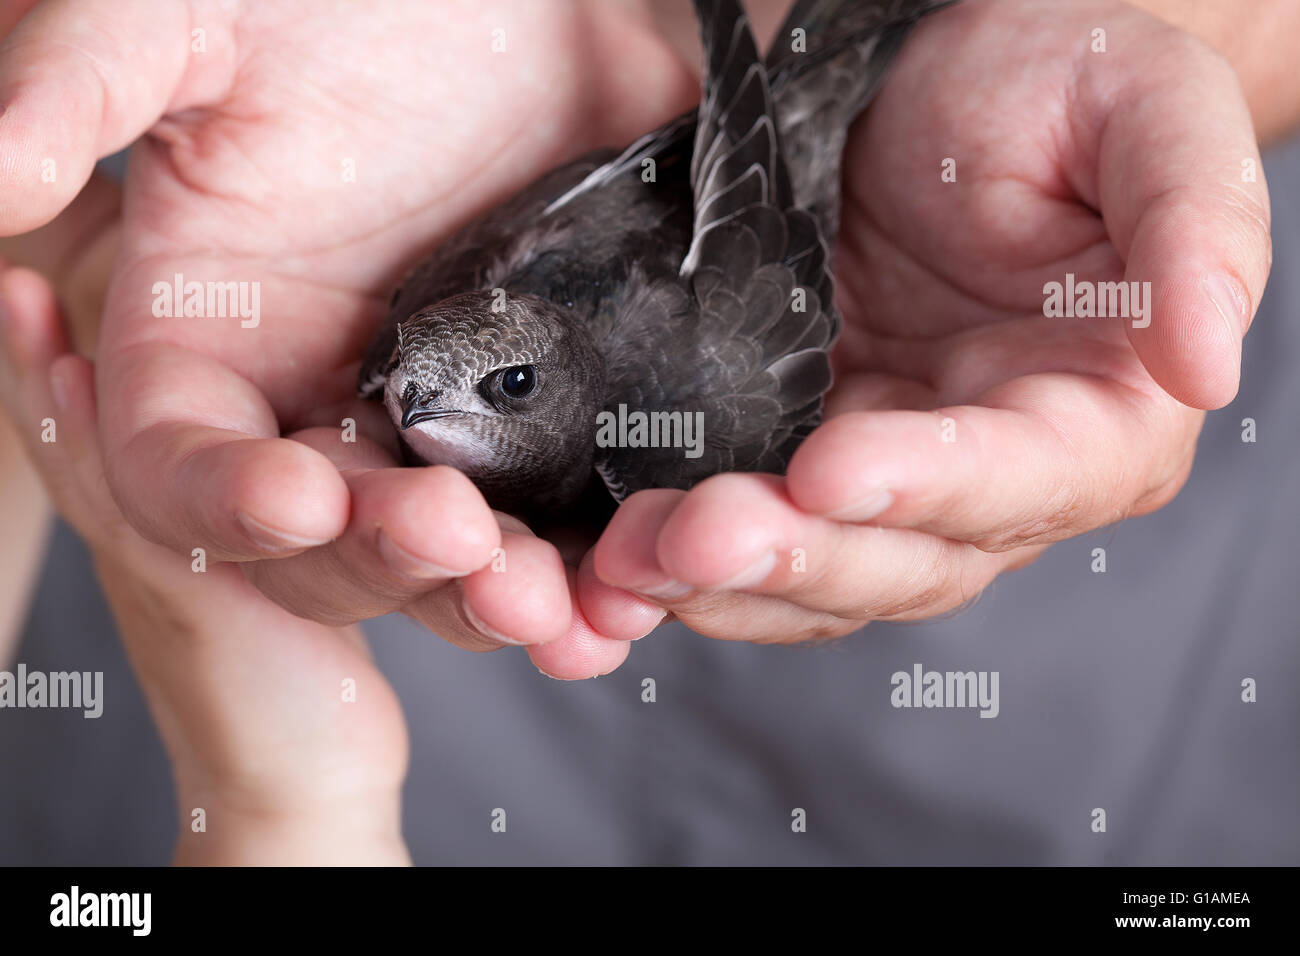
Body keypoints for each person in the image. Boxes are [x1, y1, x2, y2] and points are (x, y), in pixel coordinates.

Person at [1, 0, 1297, 864]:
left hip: (804, 226)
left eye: (485, 395)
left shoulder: (678, 422)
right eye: (405, 386)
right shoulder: (445, 331)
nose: (412, 410)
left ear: (554, 403)